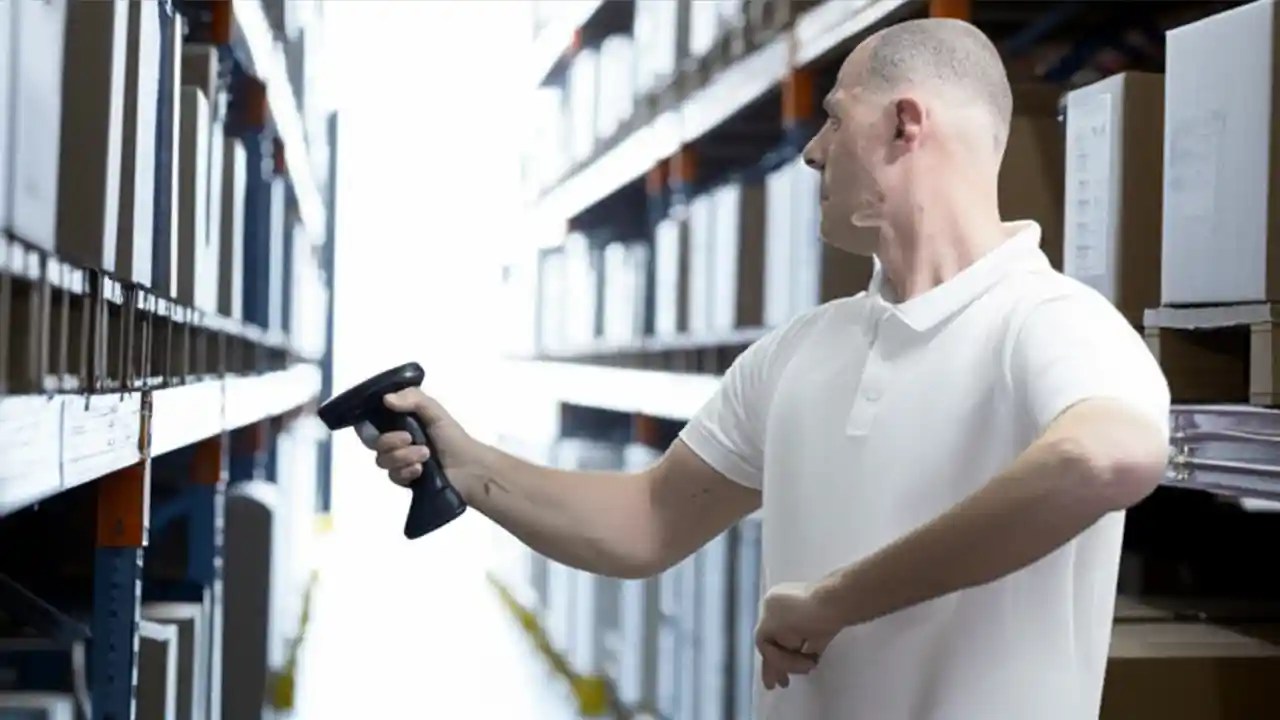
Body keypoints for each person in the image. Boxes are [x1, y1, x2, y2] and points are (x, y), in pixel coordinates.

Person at [359, 16, 1171, 720]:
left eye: (832, 119)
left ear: (904, 125)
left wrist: (834, 603)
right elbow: (647, 521)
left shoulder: (1051, 323)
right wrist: (471, 467)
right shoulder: (797, 352)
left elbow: (1106, 456)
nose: (812, 152)